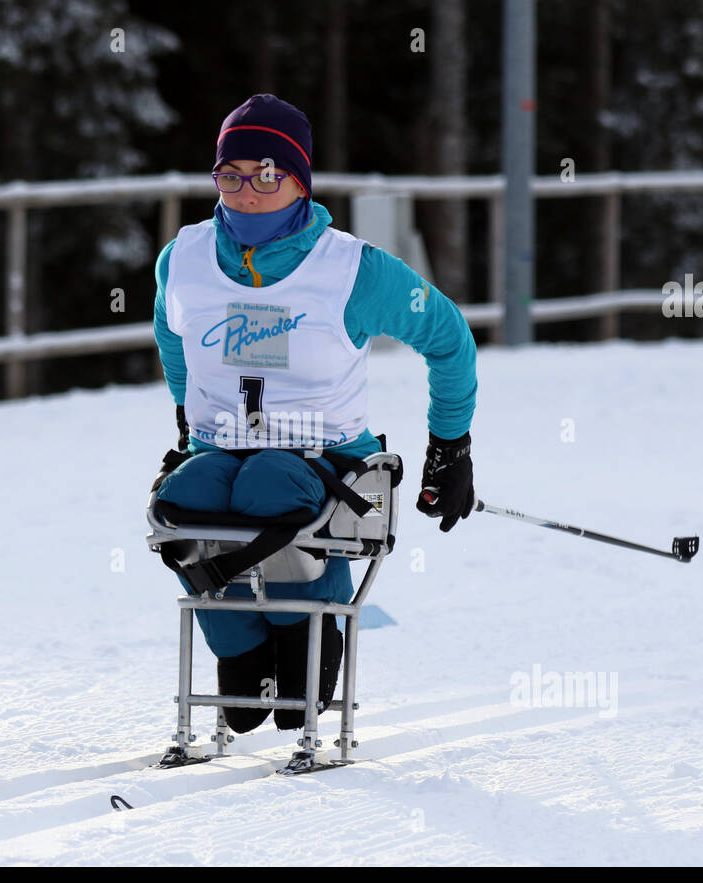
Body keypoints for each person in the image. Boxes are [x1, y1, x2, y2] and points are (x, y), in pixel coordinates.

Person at [152, 93, 477, 734]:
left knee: (270, 487)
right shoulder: (183, 259)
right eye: (230, 174)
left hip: (322, 456)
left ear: (299, 180)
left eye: (267, 174)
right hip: (224, 446)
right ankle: (243, 660)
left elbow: (449, 338)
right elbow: (172, 333)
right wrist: (188, 422)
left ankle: (307, 650)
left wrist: (450, 447)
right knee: (188, 497)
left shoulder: (352, 269)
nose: (246, 190)